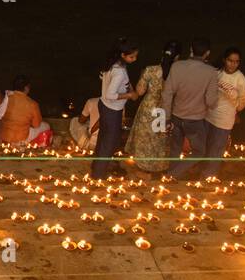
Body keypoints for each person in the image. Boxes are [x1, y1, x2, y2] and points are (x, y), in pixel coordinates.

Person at [160, 37, 219, 179]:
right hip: (195, 120)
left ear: (191, 50)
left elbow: (166, 93)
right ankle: (172, 174)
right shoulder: (211, 72)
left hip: (176, 116)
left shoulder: (177, 66)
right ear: (207, 53)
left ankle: (171, 176)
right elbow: (211, 102)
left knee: (175, 149)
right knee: (199, 152)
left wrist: (166, 117)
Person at [126, 40, 180, 174]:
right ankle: (160, 166)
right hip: (166, 110)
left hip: (149, 108)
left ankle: (143, 165)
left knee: (146, 137)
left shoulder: (150, 70)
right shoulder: (179, 74)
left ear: (162, 53)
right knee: (161, 138)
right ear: (177, 57)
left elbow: (139, 91)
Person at [92, 40, 139, 179]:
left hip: (104, 105)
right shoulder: (118, 71)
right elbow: (110, 94)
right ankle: (98, 175)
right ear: (123, 55)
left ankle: (96, 166)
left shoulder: (114, 64)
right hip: (111, 109)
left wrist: (130, 86)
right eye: (132, 57)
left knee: (103, 139)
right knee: (109, 143)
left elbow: (123, 81)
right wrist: (129, 95)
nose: (135, 59)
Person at [204, 46, 245, 175]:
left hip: (224, 121)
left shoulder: (240, 80)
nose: (233, 64)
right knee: (205, 147)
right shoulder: (217, 72)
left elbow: (244, 100)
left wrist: (235, 110)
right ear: (224, 60)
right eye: (230, 60)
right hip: (208, 116)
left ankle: (208, 177)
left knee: (216, 151)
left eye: (236, 62)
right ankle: (200, 171)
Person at [0, 75, 51, 145]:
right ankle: (40, 146)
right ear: (26, 88)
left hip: (4, 137)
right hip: (21, 138)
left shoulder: (5, 99)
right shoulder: (32, 103)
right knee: (46, 126)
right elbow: (36, 125)